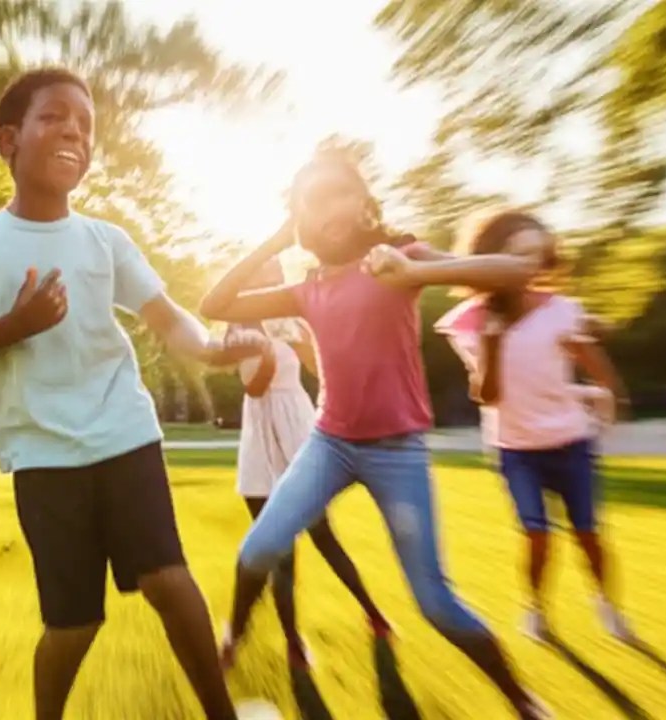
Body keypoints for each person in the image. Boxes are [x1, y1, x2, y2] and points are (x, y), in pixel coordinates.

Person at [0, 68, 274, 720]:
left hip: (123, 432)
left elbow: (170, 321)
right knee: (75, 623)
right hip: (43, 454)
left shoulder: (105, 240)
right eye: (54, 118)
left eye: (85, 126)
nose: (75, 134)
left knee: (169, 580)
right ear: (8, 139)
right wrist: (12, 328)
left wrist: (220, 349)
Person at [198, 139, 549, 719]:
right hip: (330, 444)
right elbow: (217, 303)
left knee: (435, 603)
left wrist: (419, 269)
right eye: (314, 201)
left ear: (364, 203)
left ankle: (523, 700)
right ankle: (234, 631)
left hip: (398, 452)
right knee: (258, 547)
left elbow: (515, 271)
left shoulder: (399, 256)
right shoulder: (306, 289)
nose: (330, 207)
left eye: (341, 192)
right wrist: (278, 238)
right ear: (301, 216)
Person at [435, 208, 633, 643]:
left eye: (536, 256)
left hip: (570, 441)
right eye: (517, 255)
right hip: (516, 448)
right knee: (537, 535)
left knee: (588, 533)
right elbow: (487, 396)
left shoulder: (561, 309)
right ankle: (536, 610)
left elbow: (587, 354)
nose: (529, 266)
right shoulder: (470, 322)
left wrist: (611, 393)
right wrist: (491, 342)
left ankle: (609, 608)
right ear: (490, 258)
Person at [223, 259, 389, 670]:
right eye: (267, 271)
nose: (275, 276)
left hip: (298, 426)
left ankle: (374, 612)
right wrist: (263, 349)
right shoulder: (239, 326)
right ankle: (292, 641)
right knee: (277, 546)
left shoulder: (293, 320)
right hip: (261, 432)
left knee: (322, 533)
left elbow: (322, 367)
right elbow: (255, 387)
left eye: (278, 271)